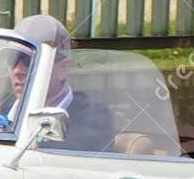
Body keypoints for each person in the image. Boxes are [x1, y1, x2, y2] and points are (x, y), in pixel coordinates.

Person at [10, 14, 116, 152]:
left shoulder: (93, 116)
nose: (17, 70)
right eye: (11, 58)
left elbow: (65, 155)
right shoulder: (2, 112)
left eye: (28, 60)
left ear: (63, 68)